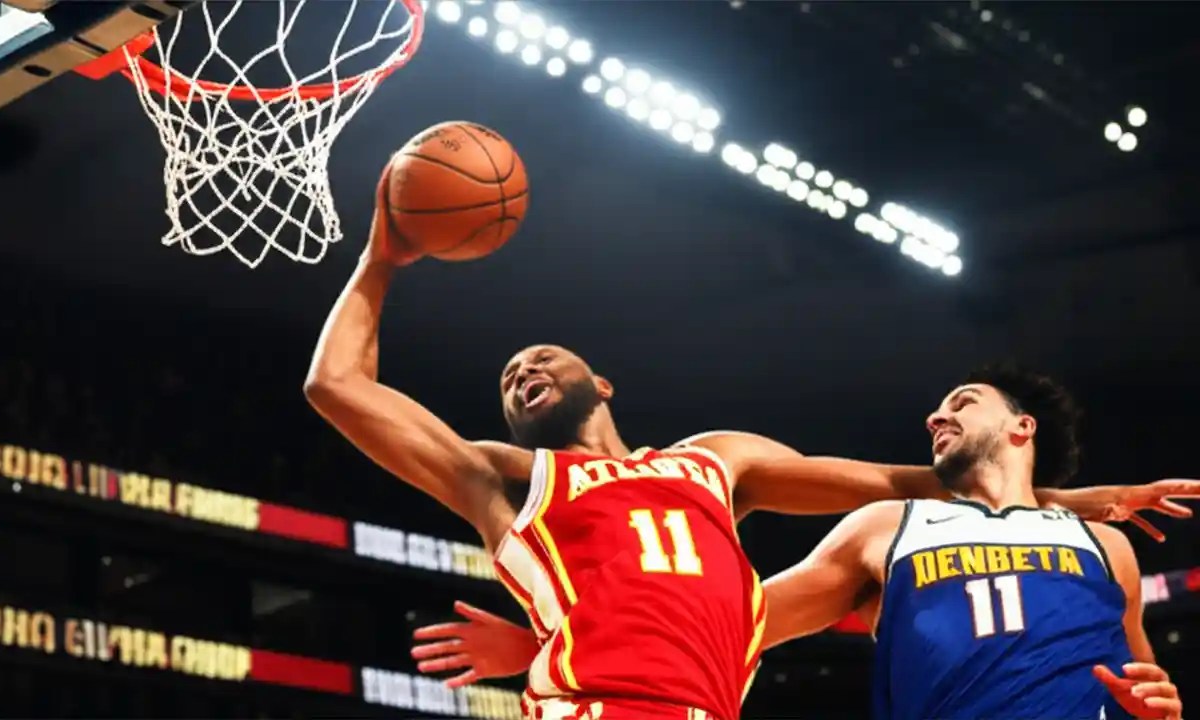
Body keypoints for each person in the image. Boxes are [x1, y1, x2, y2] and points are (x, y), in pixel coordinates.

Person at [306, 171, 1196, 720]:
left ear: (602, 382)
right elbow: (337, 389)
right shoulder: (508, 479)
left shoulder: (715, 460)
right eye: (509, 376)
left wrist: (1076, 503)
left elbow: (910, 478)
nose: (524, 369)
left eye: (542, 356)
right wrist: (383, 257)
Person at [411, 365, 1188, 720]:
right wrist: (549, 642)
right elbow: (720, 619)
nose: (937, 416)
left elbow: (1145, 687)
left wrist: (1165, 709)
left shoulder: (1104, 548)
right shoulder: (889, 527)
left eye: (963, 401)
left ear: (1023, 428)